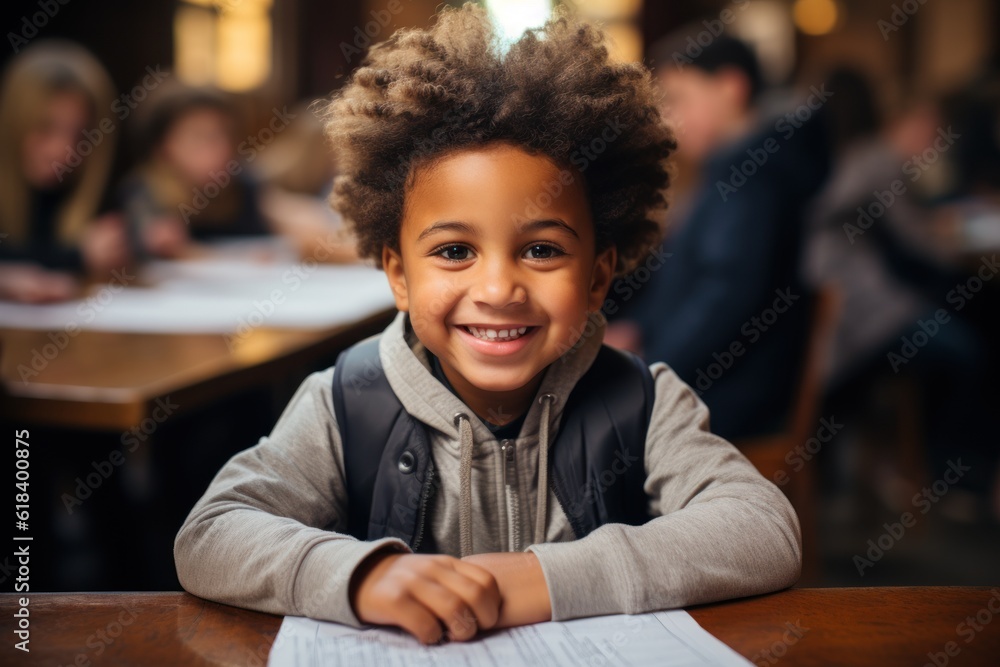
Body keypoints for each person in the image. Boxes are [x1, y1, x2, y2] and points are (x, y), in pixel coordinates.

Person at [174, 4, 801, 646]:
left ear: (596, 276)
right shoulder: (344, 404)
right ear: (398, 275)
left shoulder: (644, 401)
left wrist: (533, 582)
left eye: (542, 249)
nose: (499, 289)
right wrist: (361, 577)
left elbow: (762, 530)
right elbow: (211, 534)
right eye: (453, 252)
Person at [607, 32, 830, 441]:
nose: (670, 118)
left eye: (679, 98)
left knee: (590, 424)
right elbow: (688, 282)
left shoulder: (754, 177)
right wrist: (638, 328)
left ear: (731, 88)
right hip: (722, 379)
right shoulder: (735, 166)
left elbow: (727, 299)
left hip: (732, 392)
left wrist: (650, 369)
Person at [0, 40, 128, 303]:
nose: (63, 151)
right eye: (45, 128)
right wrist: (76, 256)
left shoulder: (87, 194)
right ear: (14, 123)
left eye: (81, 135)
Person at [119, 83, 270, 260]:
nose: (223, 149)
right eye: (201, 137)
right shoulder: (143, 194)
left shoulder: (242, 185)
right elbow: (158, 246)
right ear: (163, 148)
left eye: (227, 135)